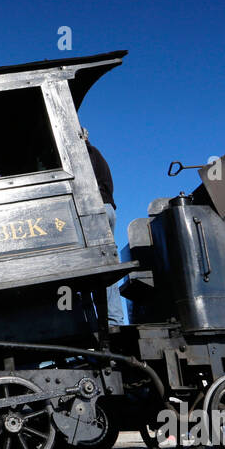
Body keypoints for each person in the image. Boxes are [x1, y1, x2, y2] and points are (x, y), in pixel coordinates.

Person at [83, 130, 127, 327]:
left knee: (91, 267)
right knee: (106, 264)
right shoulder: (97, 154)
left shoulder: (82, 154)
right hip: (107, 208)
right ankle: (113, 320)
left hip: (94, 210)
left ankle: (106, 321)